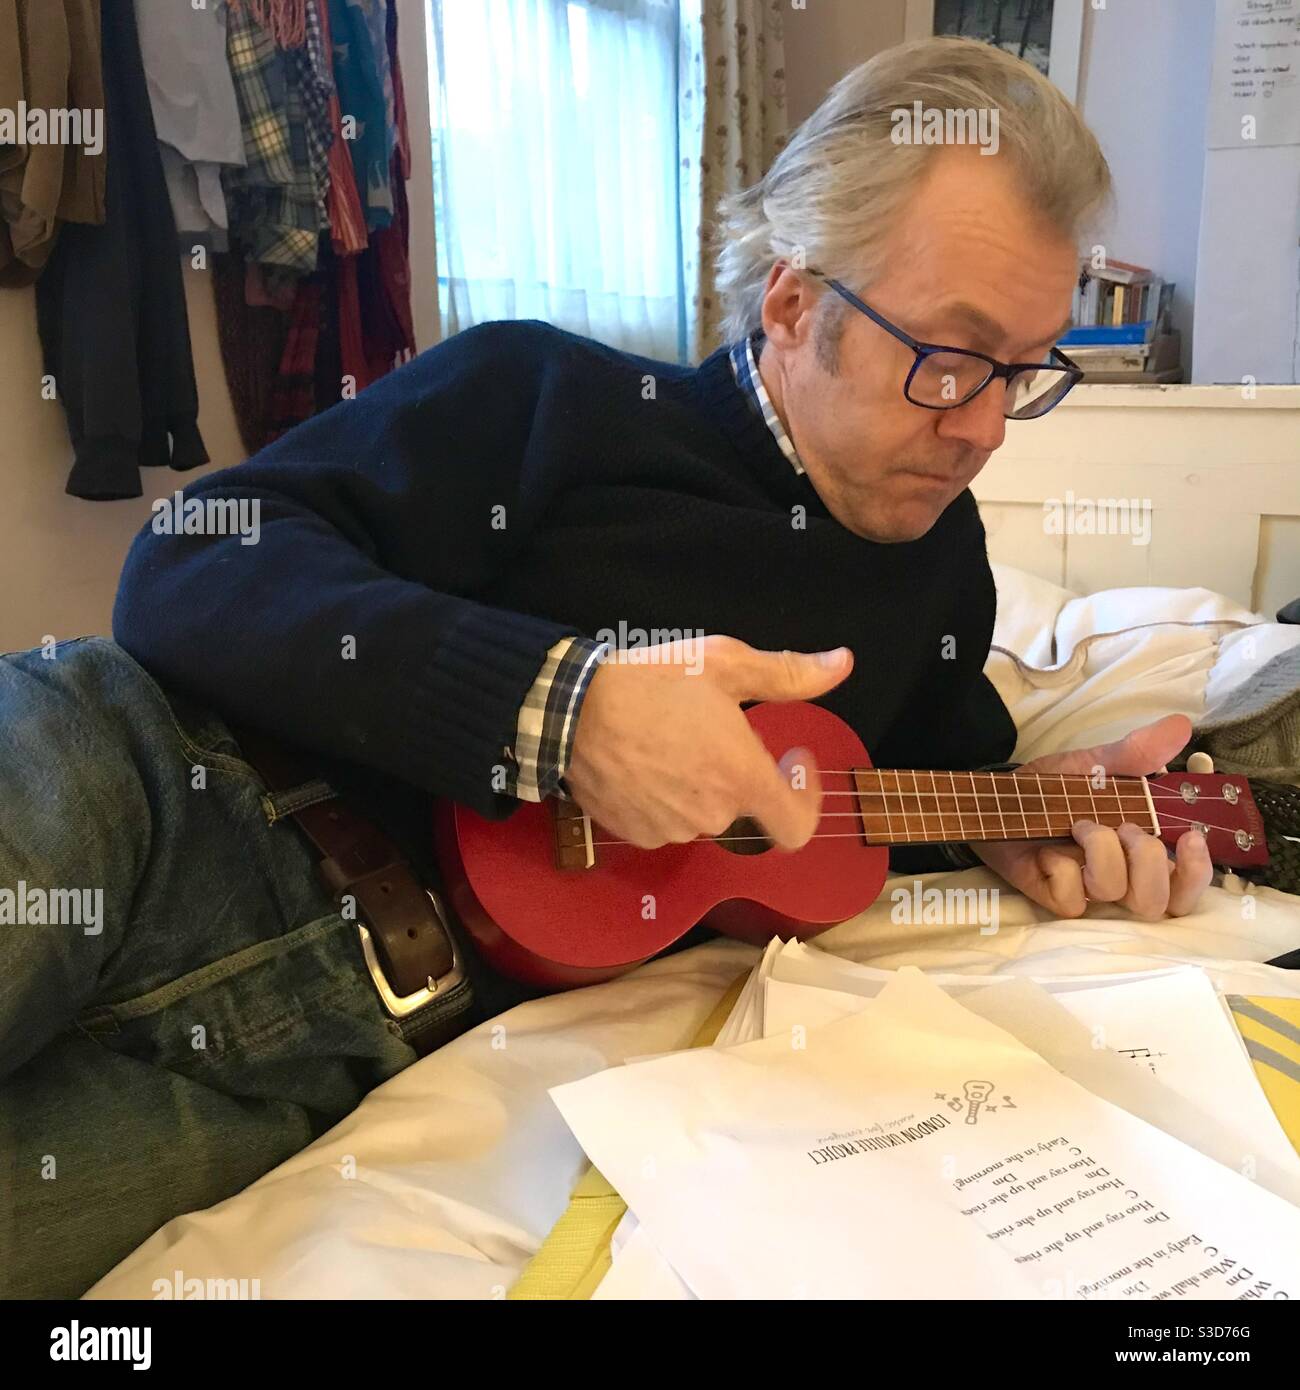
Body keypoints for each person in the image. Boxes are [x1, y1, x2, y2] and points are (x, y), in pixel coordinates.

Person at [0, 37, 1210, 1298]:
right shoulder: (542, 396)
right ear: (794, 305)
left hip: (311, 1061)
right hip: (147, 801)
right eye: (949, 358)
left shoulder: (944, 569)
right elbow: (189, 560)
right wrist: (558, 709)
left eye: (1024, 373)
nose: (977, 428)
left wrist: (1025, 814)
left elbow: (898, 794)